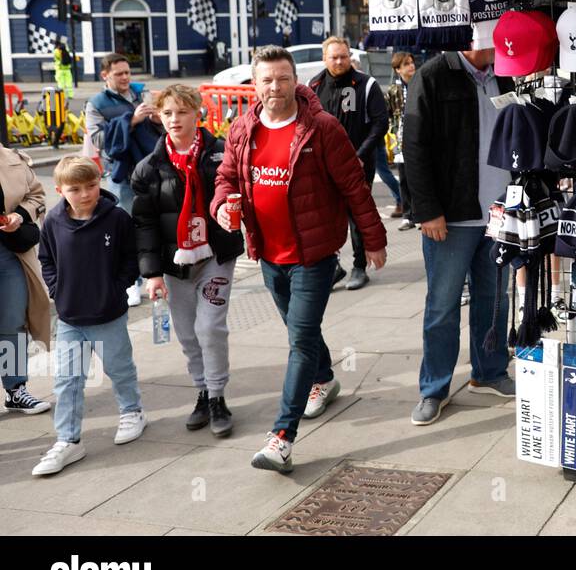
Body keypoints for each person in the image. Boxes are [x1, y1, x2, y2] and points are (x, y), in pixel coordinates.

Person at [212, 46, 387, 473]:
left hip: (313, 254)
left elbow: (353, 187)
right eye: (267, 79)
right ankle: (324, 379)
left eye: (282, 78)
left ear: (296, 80)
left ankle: (282, 437)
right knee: (300, 332)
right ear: (255, 84)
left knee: (299, 340)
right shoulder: (242, 128)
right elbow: (227, 177)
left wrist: (374, 238)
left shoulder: (322, 128)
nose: (275, 87)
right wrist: (220, 205)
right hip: (268, 254)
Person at [403, 47, 514, 427]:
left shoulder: (507, 72)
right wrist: (427, 210)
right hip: (451, 215)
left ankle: (490, 370)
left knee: (495, 299)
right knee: (443, 306)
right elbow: (414, 148)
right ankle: (434, 388)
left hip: (501, 212)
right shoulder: (433, 75)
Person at [131, 84, 244, 438]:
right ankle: (202, 391)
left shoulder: (222, 154)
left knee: (209, 328)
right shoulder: (149, 169)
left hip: (215, 255)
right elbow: (145, 223)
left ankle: (218, 397)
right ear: (159, 117)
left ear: (198, 113)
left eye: (182, 112)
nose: (174, 119)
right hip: (174, 261)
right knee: (186, 333)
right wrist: (151, 274)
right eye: (167, 113)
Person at [34, 157, 145, 476]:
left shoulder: (117, 219)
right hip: (70, 317)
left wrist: (116, 287)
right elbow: (47, 260)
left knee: (119, 367)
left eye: (92, 186)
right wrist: (57, 290)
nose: (85, 194)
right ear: (60, 190)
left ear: (101, 182)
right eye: (75, 189)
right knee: (67, 380)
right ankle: (68, 439)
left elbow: (130, 258)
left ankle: (132, 411)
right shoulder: (53, 221)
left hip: (108, 314)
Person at [308, 37, 388, 291]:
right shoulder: (315, 85)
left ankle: (359, 266)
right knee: (326, 216)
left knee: (357, 215)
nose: (340, 61)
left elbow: (380, 124)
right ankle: (333, 266)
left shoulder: (367, 84)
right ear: (325, 58)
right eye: (334, 57)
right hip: (325, 166)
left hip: (358, 163)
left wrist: (361, 155)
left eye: (343, 56)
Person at [83, 53, 162, 307]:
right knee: (126, 230)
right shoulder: (96, 103)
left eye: (128, 72)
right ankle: (132, 284)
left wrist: (157, 120)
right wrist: (132, 120)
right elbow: (99, 141)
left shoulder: (141, 94)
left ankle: (158, 276)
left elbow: (159, 131)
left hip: (151, 169)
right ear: (105, 75)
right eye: (119, 73)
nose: (126, 77)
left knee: (155, 225)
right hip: (122, 175)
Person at [0, 143, 53, 416]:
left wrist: (18, 216)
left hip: (9, 253)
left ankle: (15, 390)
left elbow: (37, 196)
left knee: (12, 322)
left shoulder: (12, 158)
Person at [387, 52, 418, 231]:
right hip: (400, 139)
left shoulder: (420, 84)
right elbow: (388, 114)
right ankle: (408, 215)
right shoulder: (393, 90)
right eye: (406, 64)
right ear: (398, 69)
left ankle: (421, 212)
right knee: (404, 178)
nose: (411, 66)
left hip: (419, 136)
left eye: (412, 62)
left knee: (420, 176)